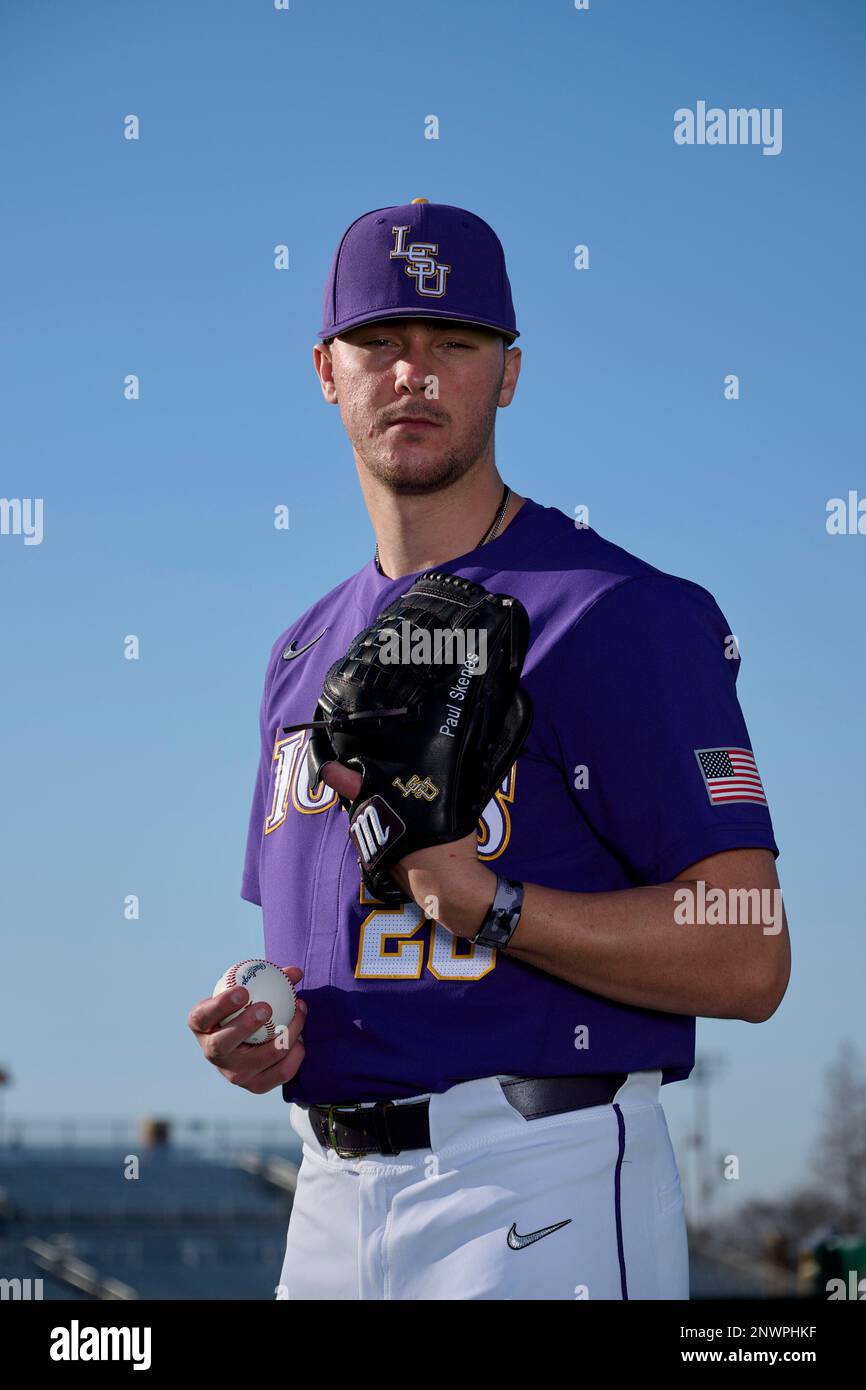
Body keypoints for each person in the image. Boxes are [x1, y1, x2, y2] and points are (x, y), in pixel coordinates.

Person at [188, 199, 790, 1300]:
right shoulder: (296, 652)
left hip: (533, 1171)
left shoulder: (617, 611)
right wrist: (258, 1028)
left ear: (506, 373)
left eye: (452, 343)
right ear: (326, 368)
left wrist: (492, 904)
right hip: (321, 1192)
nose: (412, 372)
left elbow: (748, 950)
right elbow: (336, 953)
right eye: (380, 343)